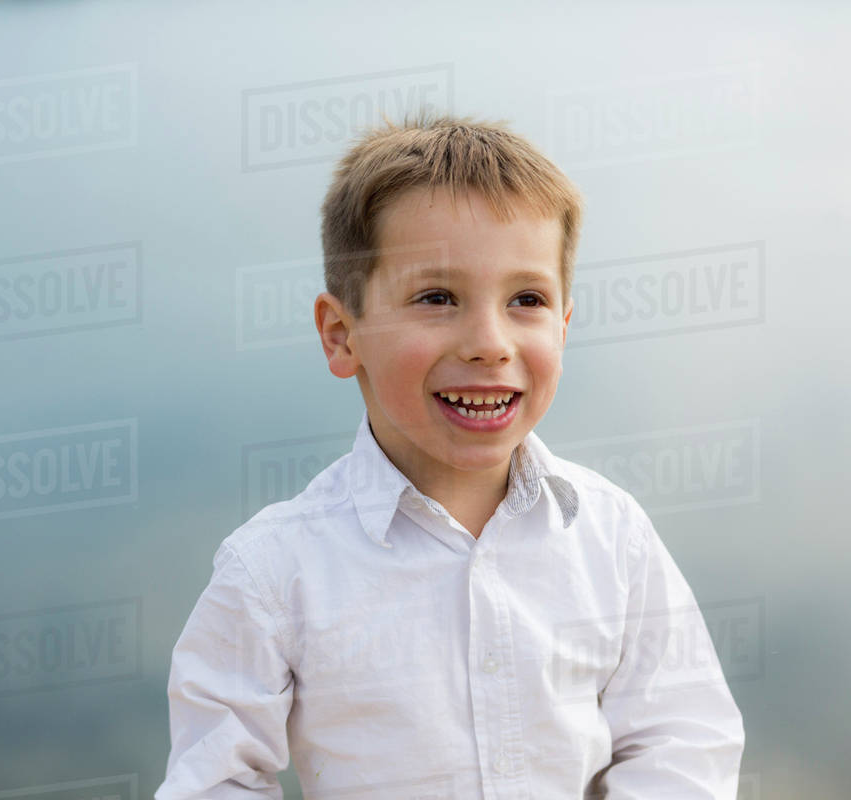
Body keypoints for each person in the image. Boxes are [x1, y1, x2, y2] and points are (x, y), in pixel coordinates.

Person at [156, 110, 745, 799]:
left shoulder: (613, 537)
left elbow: (683, 738)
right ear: (342, 335)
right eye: (437, 297)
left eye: (526, 299)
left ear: (563, 326)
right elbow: (215, 779)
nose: (490, 343)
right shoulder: (273, 571)